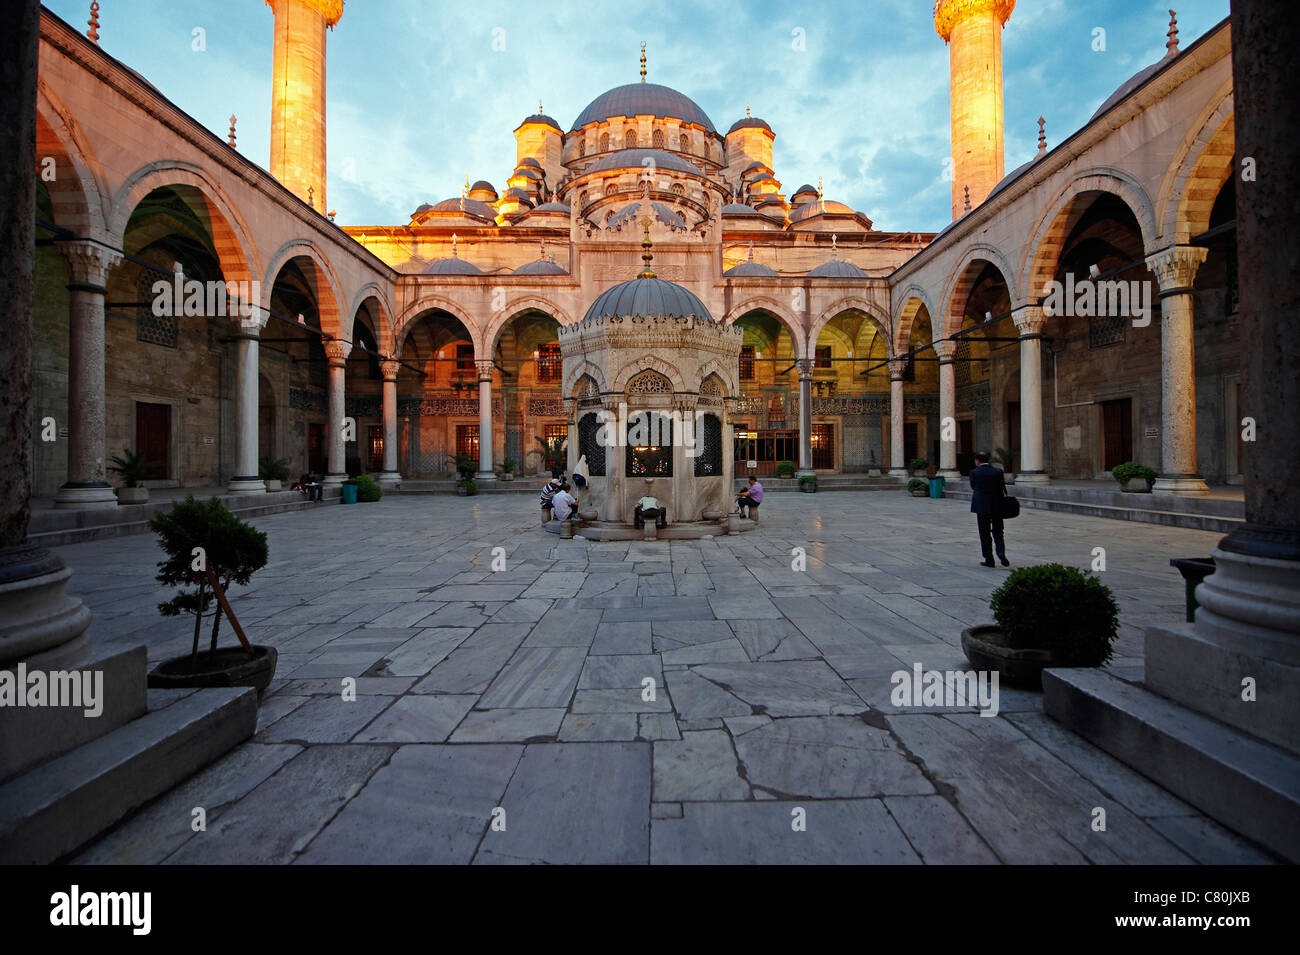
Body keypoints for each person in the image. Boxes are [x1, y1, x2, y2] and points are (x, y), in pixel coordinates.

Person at [969, 450, 1010, 567]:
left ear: (977, 461)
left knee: (984, 533)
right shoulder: (997, 471)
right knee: (998, 531)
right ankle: (1001, 551)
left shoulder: (974, 472)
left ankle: (989, 558)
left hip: (981, 506)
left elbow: (973, 486)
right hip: (997, 505)